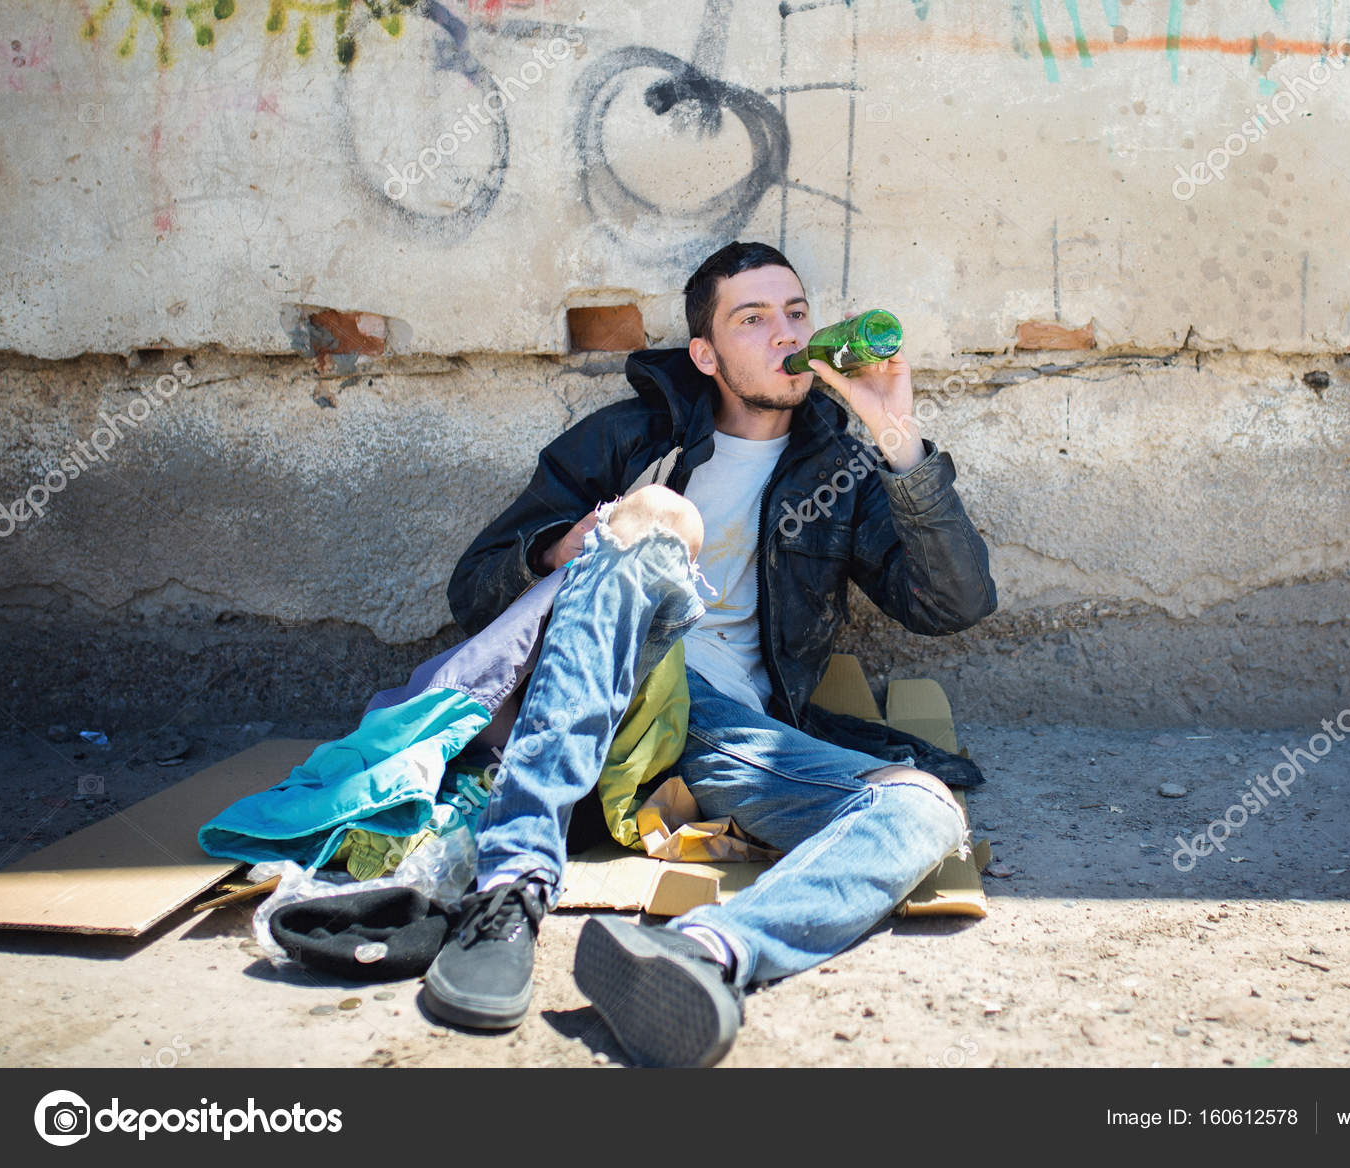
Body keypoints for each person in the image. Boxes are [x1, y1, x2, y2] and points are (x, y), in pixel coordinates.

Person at [425, 241, 997, 1066]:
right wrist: (575, 547)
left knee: (923, 809)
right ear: (706, 353)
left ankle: (707, 954)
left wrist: (897, 436)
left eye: (796, 314)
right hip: (599, 678)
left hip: (711, 734)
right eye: (753, 318)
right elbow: (474, 587)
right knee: (656, 516)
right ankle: (512, 889)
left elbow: (956, 604)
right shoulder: (628, 439)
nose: (784, 334)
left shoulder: (838, 461)